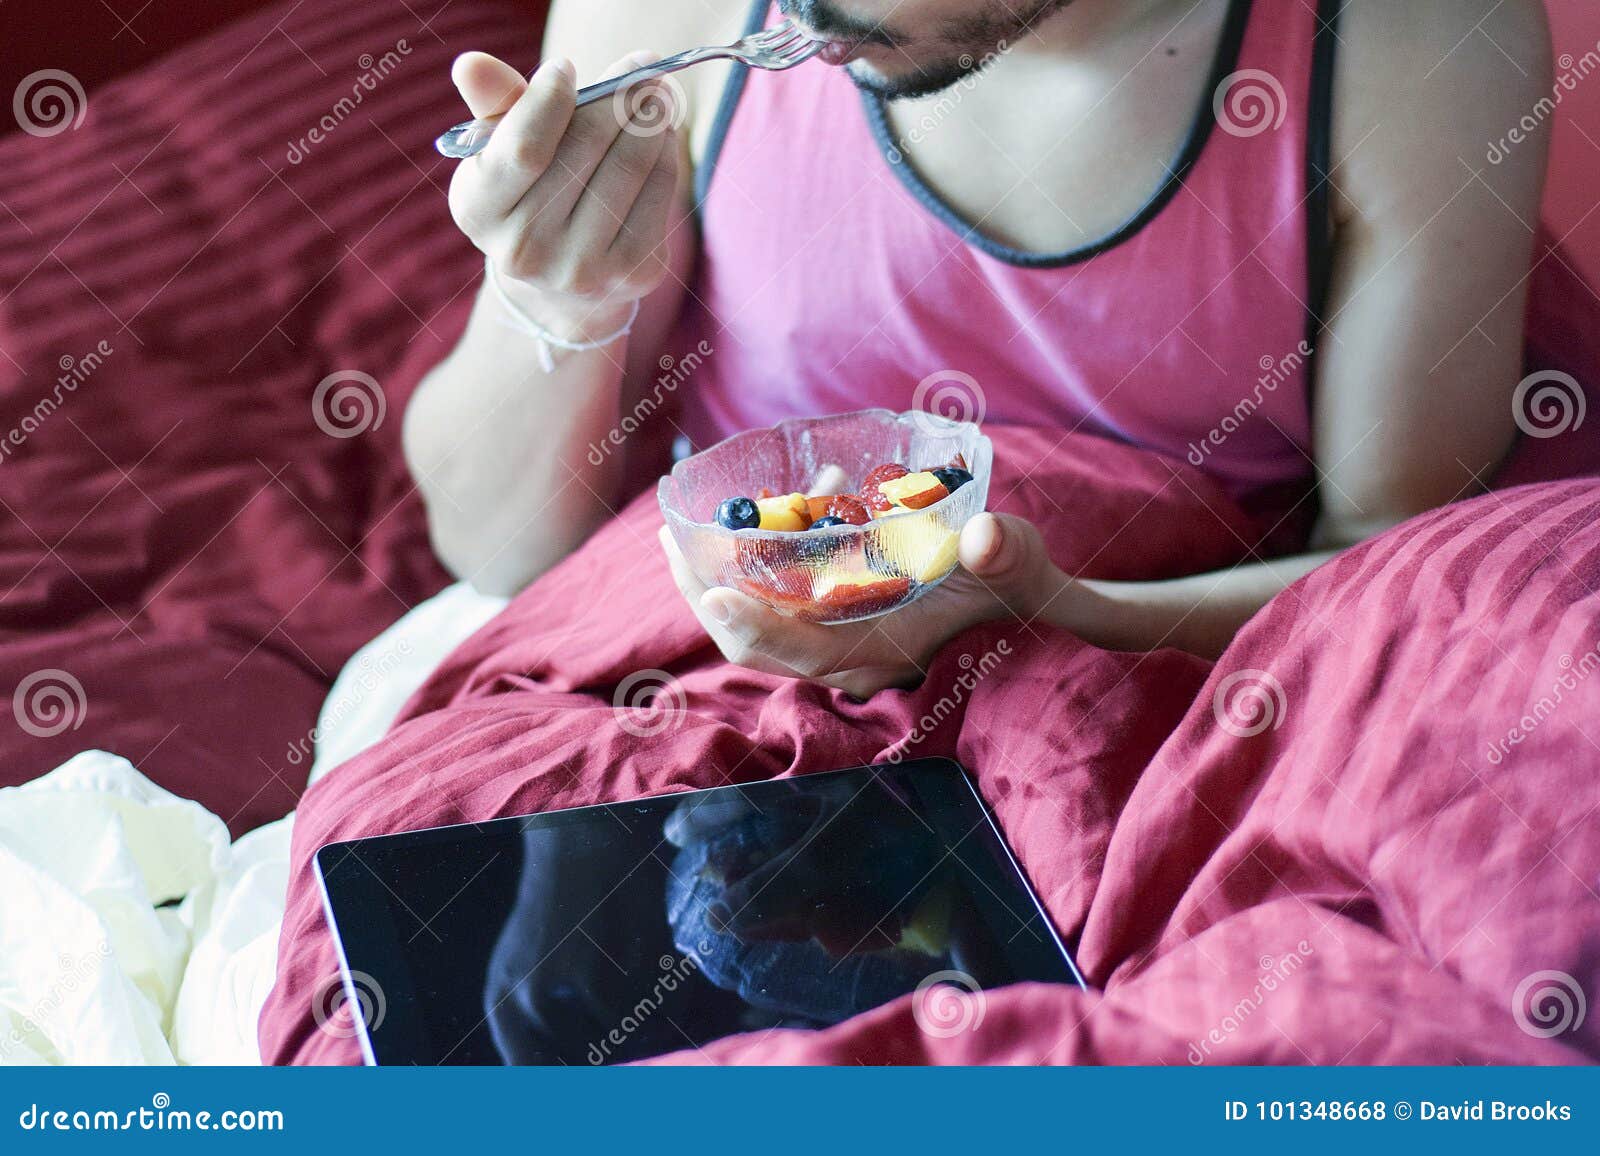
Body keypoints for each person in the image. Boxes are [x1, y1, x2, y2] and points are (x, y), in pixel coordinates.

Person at [404, 0, 1553, 696]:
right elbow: (495, 549)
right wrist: (559, 304)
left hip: (1174, 699)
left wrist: (1052, 616)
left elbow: (1397, 571)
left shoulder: (1410, 43)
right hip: (711, 707)